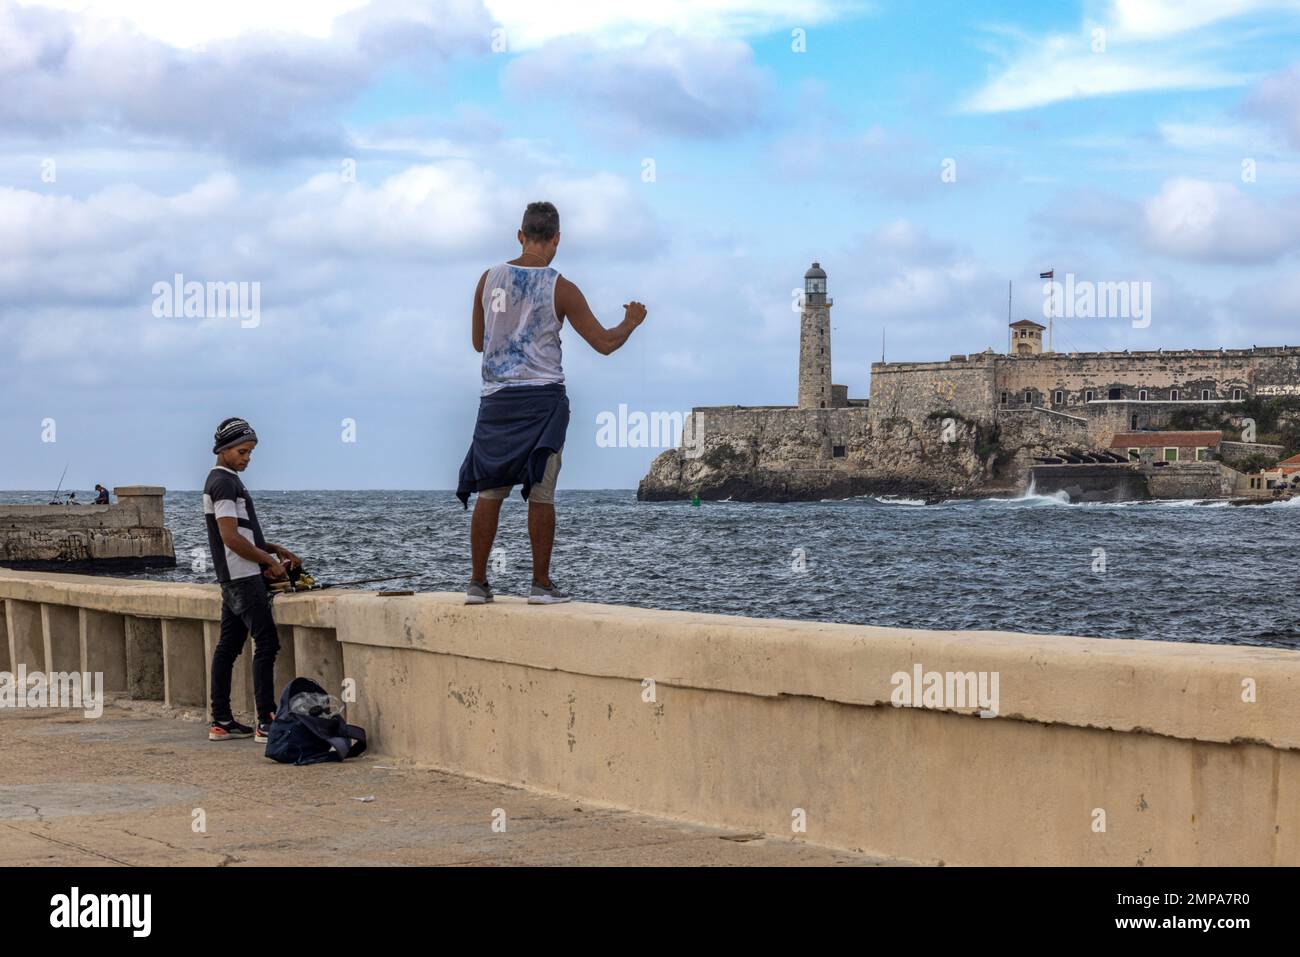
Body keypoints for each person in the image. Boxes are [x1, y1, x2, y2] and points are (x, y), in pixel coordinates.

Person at [457, 201, 647, 604]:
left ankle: (477, 583)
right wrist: (630, 322)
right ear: (557, 240)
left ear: (520, 235)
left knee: (490, 493)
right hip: (543, 400)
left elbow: (479, 343)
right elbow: (605, 344)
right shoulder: (561, 287)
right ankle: (540, 584)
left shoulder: (487, 279)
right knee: (542, 494)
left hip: (496, 400)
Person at [203, 417, 301, 742]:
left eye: (250, 452)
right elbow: (230, 537)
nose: (247, 458)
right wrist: (268, 562)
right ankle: (267, 721)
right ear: (225, 449)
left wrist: (274, 548)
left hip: (232, 577)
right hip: (243, 578)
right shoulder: (224, 483)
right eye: (243, 451)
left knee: (228, 647)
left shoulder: (224, 480)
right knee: (267, 643)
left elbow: (243, 533)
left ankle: (221, 720)